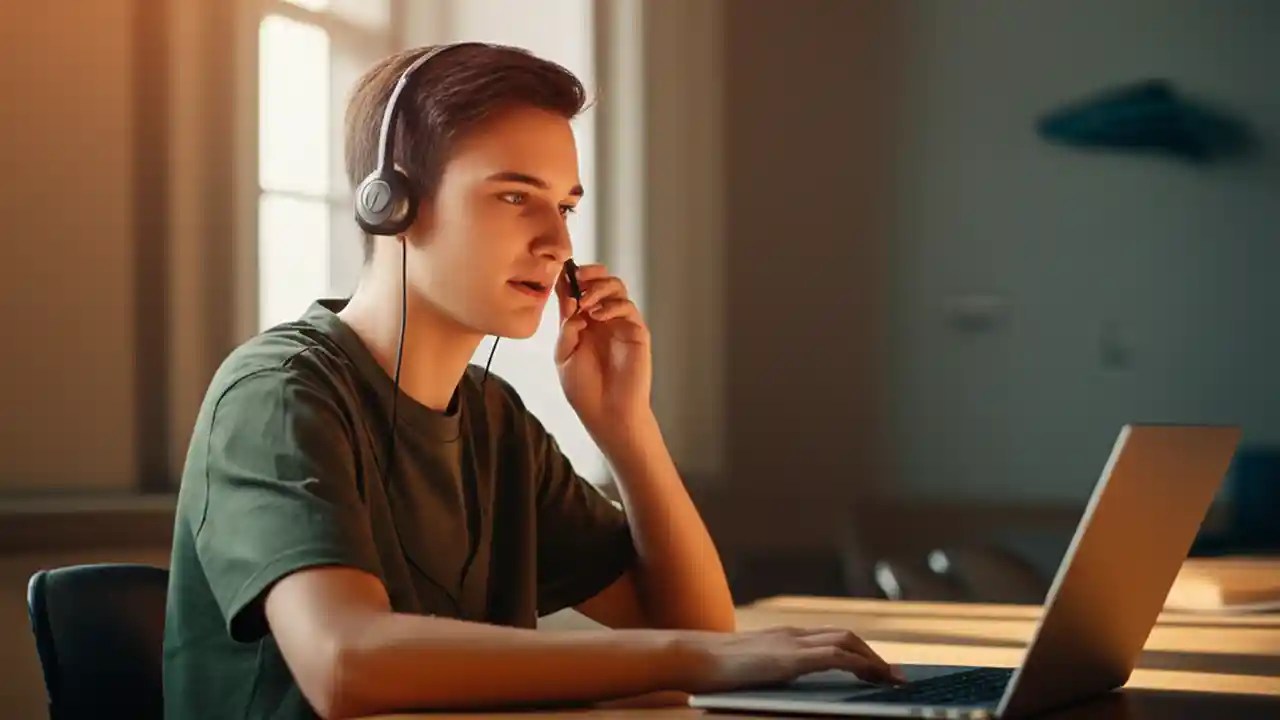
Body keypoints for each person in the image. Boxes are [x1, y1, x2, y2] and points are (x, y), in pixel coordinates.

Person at [162, 42, 902, 719]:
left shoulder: (494, 418)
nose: (559, 244)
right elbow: (346, 663)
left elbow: (697, 636)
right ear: (392, 203)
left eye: (567, 205)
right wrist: (695, 657)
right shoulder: (278, 393)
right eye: (516, 197)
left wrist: (627, 429)